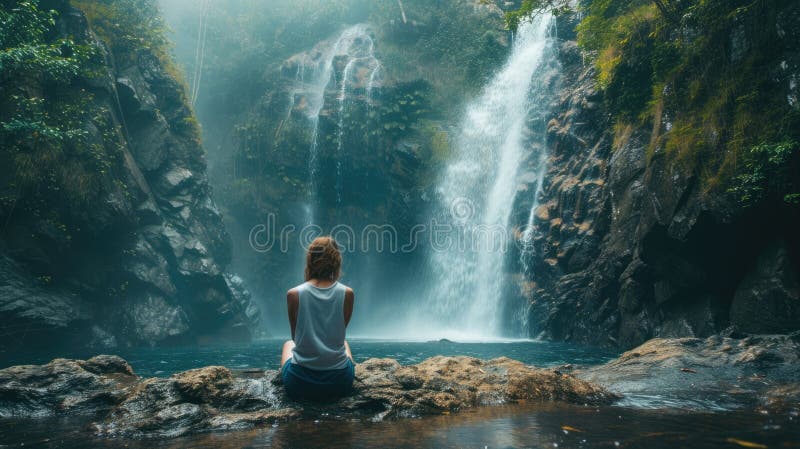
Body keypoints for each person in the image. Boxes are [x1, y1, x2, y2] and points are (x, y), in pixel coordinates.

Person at [280, 236, 355, 400]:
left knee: (288, 344)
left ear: (310, 259)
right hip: (339, 382)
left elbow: (296, 337)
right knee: (344, 343)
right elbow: (338, 334)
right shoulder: (347, 293)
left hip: (300, 383)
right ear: (336, 261)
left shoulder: (293, 294)